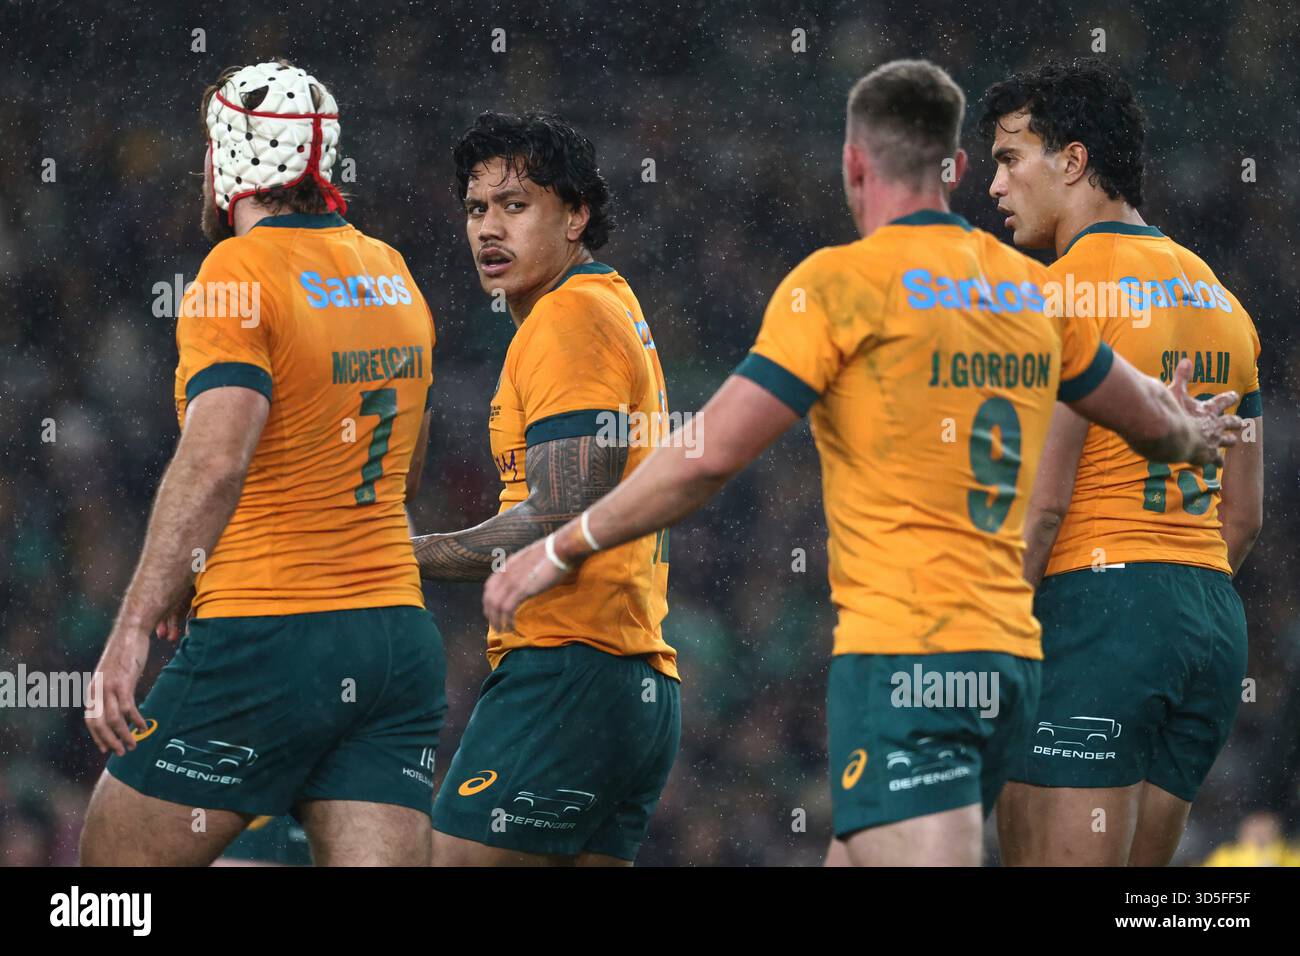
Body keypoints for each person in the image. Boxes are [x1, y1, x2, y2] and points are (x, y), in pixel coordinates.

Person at [482, 60, 1243, 866]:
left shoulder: (840, 286)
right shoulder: (1034, 293)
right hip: (1011, 661)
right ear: (951, 168)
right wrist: (1193, 429)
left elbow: (706, 457)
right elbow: (1161, 424)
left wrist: (564, 544)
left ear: (853, 164)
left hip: (910, 657)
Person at [79, 60, 444, 866]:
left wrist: (134, 626)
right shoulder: (391, 272)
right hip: (395, 641)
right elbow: (402, 479)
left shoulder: (233, 273)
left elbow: (216, 459)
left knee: (111, 877)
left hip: (271, 630)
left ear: (226, 161)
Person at [982, 59, 1264, 867]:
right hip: (1208, 621)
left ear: (1071, 161)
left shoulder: (1053, 299)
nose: (995, 187)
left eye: (1009, 160)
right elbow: (1243, 518)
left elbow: (1043, 505)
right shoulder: (1224, 301)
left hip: (1096, 613)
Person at [415, 113, 680, 866]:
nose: (488, 229)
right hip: (634, 684)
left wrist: (398, 554)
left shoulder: (569, 317)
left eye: (515, 205)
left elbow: (561, 510)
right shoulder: (611, 301)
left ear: (576, 215)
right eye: (476, 209)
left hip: (568, 669)